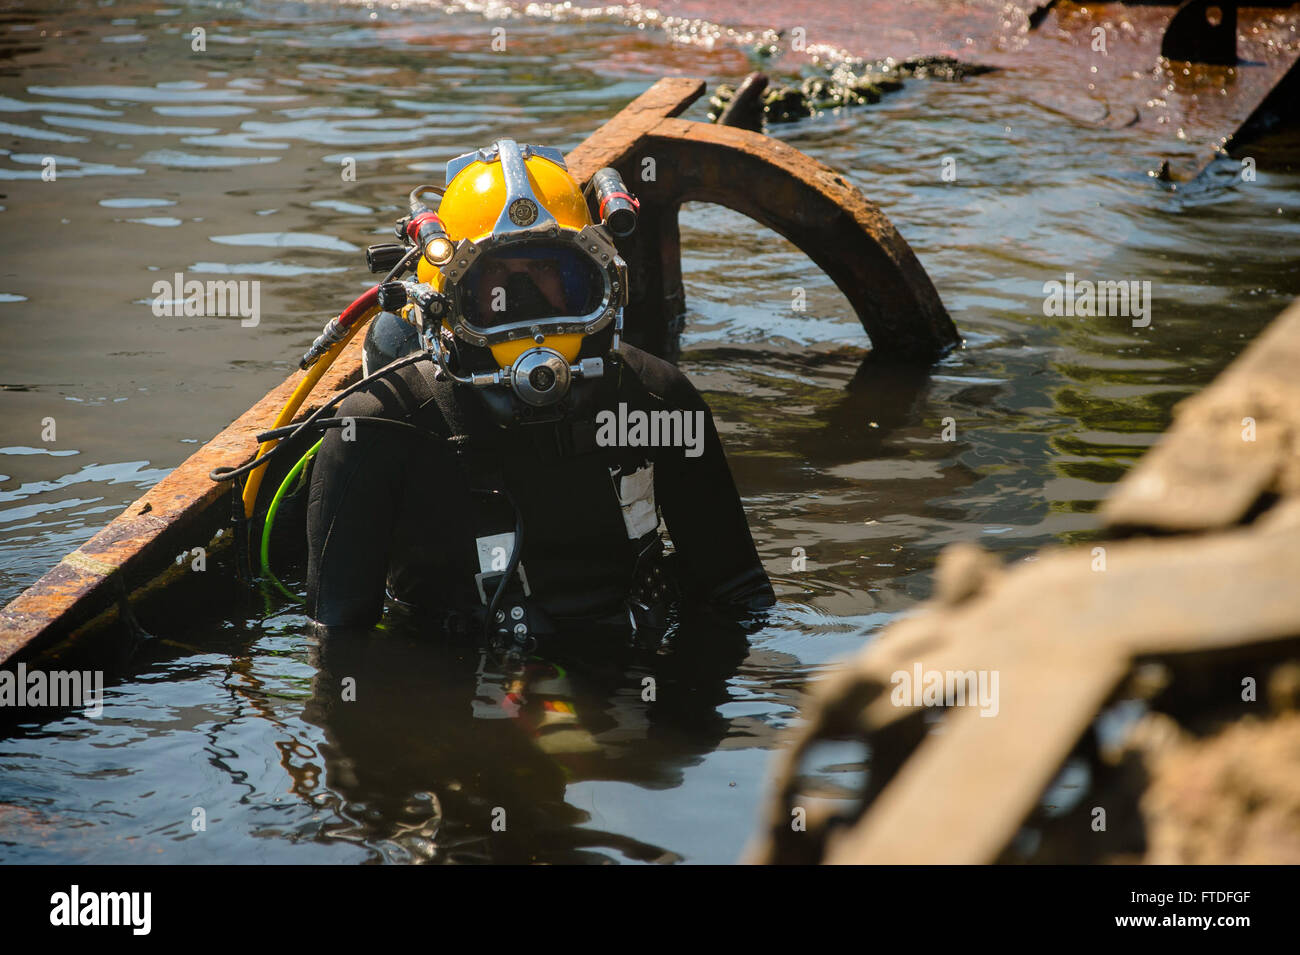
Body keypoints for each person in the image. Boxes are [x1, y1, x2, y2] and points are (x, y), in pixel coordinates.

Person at [305, 139, 773, 647]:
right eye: (495, 279)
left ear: (600, 282)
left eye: (550, 271)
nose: (522, 299)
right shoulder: (379, 428)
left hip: (627, 675)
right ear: (443, 299)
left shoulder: (658, 399)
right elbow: (339, 648)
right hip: (463, 689)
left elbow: (738, 598)